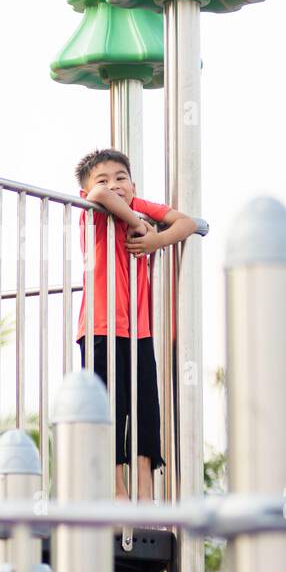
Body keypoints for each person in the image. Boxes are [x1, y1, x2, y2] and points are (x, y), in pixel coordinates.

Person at [74, 148, 198, 500]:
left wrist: (156, 239)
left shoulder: (141, 206)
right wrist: (136, 221)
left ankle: (145, 489)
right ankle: (115, 490)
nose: (113, 185)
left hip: (138, 329)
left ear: (133, 183)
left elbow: (188, 222)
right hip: (100, 327)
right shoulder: (94, 210)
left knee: (146, 406)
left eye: (121, 178)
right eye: (103, 178)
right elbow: (99, 196)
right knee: (110, 406)